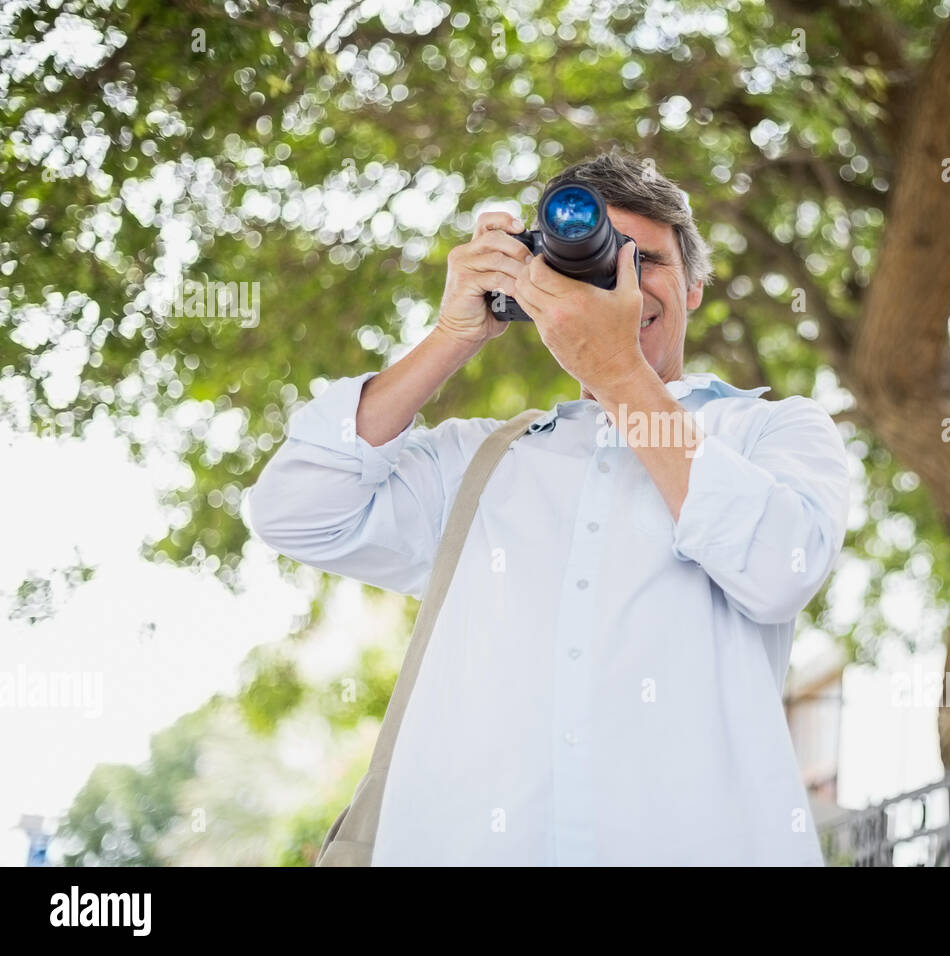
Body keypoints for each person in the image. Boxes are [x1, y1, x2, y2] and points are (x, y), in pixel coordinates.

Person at [247, 150, 851, 865]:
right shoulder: (483, 462)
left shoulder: (771, 433)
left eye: (646, 262)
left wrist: (618, 372)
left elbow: (782, 569)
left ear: (691, 289)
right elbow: (293, 510)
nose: (620, 284)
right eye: (596, 264)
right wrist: (452, 337)